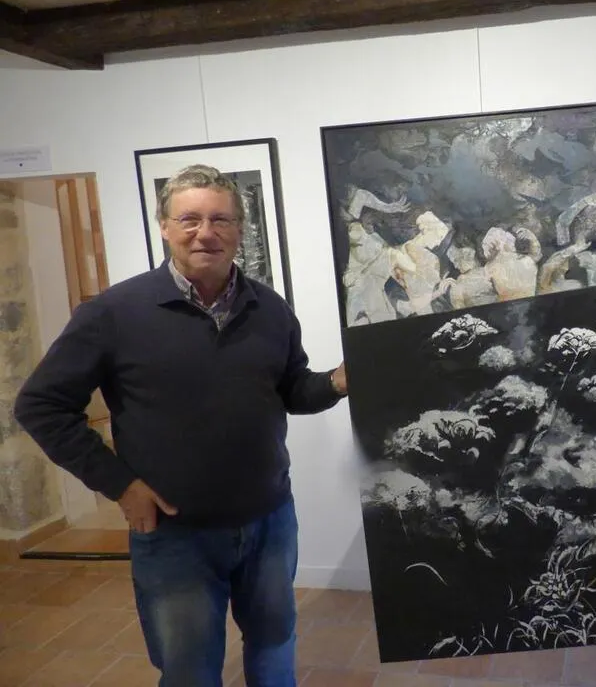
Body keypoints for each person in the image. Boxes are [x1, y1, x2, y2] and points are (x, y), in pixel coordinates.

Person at [14, 165, 348, 687]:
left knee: (275, 644)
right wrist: (121, 485)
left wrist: (337, 382)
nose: (205, 232)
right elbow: (41, 405)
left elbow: (291, 391)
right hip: (174, 533)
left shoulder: (271, 309)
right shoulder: (113, 313)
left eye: (221, 219)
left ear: (239, 230)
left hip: (270, 521)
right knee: (190, 670)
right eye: (189, 219)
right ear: (165, 227)